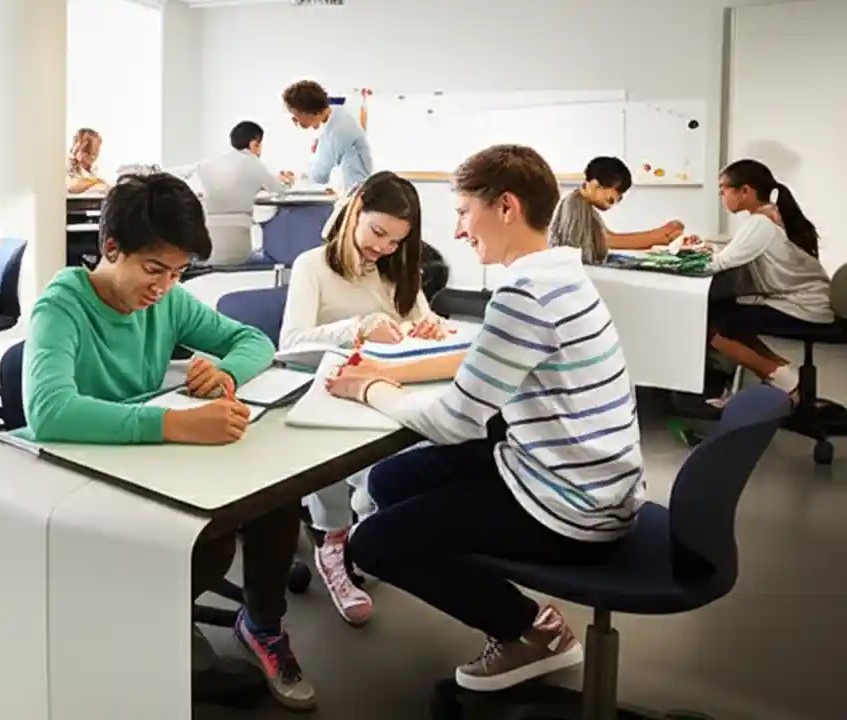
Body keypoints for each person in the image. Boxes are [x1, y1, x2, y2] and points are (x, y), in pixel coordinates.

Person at [327, 144, 643, 693]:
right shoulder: (559, 276)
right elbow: (491, 362)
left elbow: (453, 423)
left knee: (372, 543)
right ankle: (465, 559)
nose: (457, 231)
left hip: (570, 505)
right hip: (587, 475)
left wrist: (372, 385)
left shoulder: (526, 293)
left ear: (505, 208)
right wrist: (393, 372)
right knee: (387, 479)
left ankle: (530, 631)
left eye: (462, 213)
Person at [22, 172, 316, 711]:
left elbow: (251, 341)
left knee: (275, 492)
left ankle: (259, 625)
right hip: (77, 478)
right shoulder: (61, 307)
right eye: (153, 269)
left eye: (178, 273)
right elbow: (49, 412)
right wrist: (176, 424)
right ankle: (143, 633)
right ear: (110, 248)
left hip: (148, 464)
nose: (162, 287)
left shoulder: (166, 302)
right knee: (213, 538)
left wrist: (225, 374)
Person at [278, 170, 458, 627]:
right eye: (378, 233)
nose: (382, 248)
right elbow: (291, 341)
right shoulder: (311, 266)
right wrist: (357, 326)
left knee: (414, 463)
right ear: (355, 209)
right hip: (328, 393)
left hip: (386, 393)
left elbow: (426, 321)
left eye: (396, 241)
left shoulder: (397, 270)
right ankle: (333, 543)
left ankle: (366, 532)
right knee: (333, 453)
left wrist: (431, 326)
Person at [699, 159, 833, 401]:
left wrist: (679, 258)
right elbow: (733, 253)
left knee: (712, 323)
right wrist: (708, 249)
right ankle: (780, 373)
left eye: (723, 189)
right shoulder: (767, 216)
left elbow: (718, 263)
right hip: (803, 299)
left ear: (745, 191)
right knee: (726, 313)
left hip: (803, 305)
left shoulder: (760, 223)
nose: (721, 195)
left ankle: (786, 382)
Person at [169, 121, 294, 265]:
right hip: (238, 250)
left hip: (207, 249)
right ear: (254, 144)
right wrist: (287, 181)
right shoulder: (254, 163)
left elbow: (176, 173)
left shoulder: (210, 163)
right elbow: (279, 191)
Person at [548, 156, 684, 264]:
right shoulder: (575, 205)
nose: (613, 204)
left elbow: (605, 237)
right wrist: (657, 236)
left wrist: (659, 236)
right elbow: (607, 241)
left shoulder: (585, 206)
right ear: (596, 186)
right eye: (611, 199)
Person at [282, 80, 374, 192]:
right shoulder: (336, 116)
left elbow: (319, 175)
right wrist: (299, 175)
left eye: (296, 116)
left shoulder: (339, 129)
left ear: (309, 111)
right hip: (350, 189)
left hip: (356, 193)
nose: (296, 121)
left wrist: (297, 178)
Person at [66, 128, 107, 194]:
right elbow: (71, 187)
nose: (97, 154)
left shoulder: (94, 168)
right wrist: (96, 181)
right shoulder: (67, 164)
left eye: (98, 149)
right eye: (92, 153)